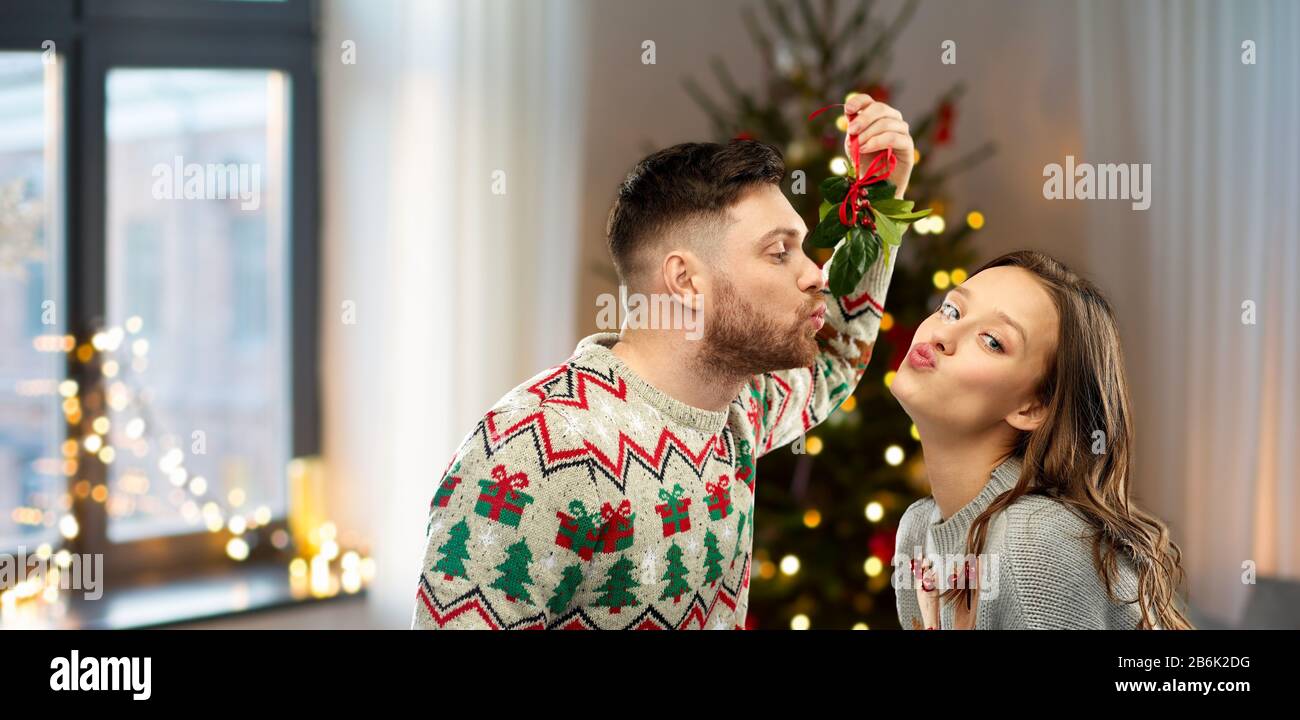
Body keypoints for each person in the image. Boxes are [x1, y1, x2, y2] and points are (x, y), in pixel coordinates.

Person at [411, 93, 915, 628]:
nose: (814, 274)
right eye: (779, 251)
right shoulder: (531, 450)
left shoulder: (738, 410)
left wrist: (879, 199)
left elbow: (833, 355)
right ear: (685, 281)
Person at [890, 250, 1193, 629]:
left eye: (992, 341)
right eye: (952, 310)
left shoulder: (1035, 543)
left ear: (1032, 407)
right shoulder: (918, 532)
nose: (943, 334)